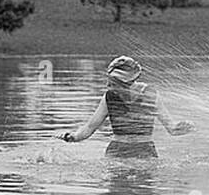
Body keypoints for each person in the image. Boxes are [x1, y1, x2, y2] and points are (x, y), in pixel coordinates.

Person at [61, 55, 192, 158]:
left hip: (145, 151)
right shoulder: (109, 97)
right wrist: (73, 137)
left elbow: (171, 128)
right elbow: (90, 127)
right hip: (117, 151)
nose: (109, 86)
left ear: (127, 82)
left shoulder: (150, 94)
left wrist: (182, 127)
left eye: (113, 83)